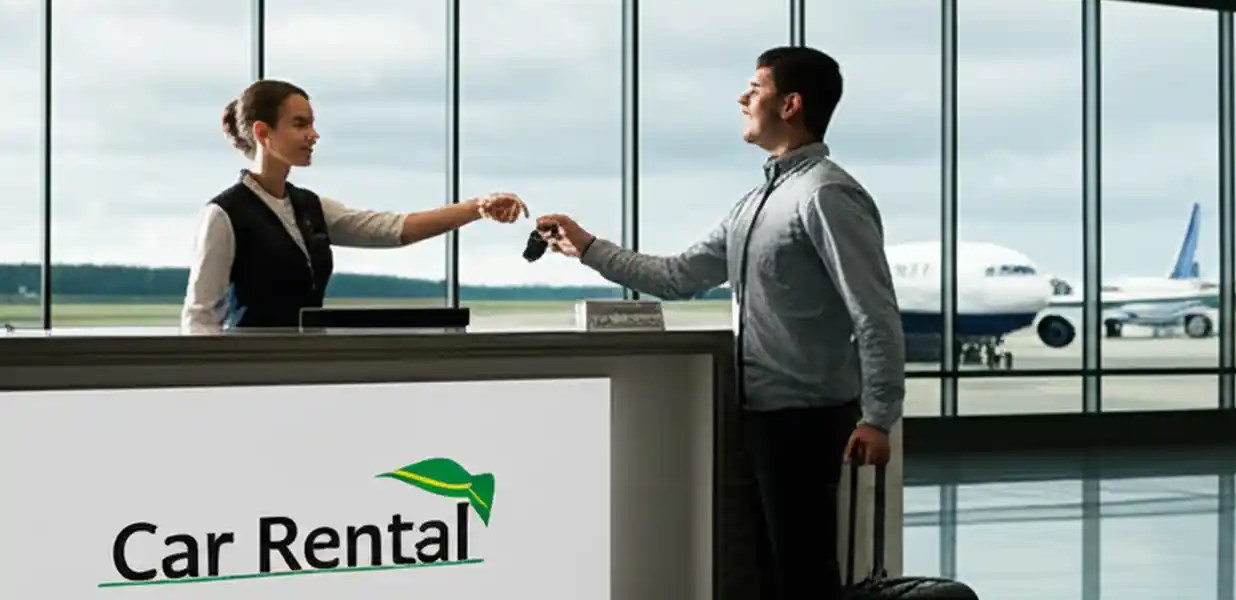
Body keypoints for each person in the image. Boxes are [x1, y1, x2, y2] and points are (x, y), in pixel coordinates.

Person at [534, 46, 905, 600]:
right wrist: (586, 247)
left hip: (808, 419)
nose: (742, 98)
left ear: (791, 104)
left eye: (755, 88)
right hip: (758, 415)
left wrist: (879, 416)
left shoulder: (827, 194)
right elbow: (678, 276)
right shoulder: (755, 203)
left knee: (804, 573)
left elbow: (873, 309)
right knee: (766, 569)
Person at [181, 79, 528, 333]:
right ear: (262, 132)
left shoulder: (310, 206)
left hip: (304, 365)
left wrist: (477, 208)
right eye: (300, 124)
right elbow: (199, 317)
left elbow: (392, 230)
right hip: (250, 372)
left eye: (312, 123)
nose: (314, 134)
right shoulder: (224, 214)